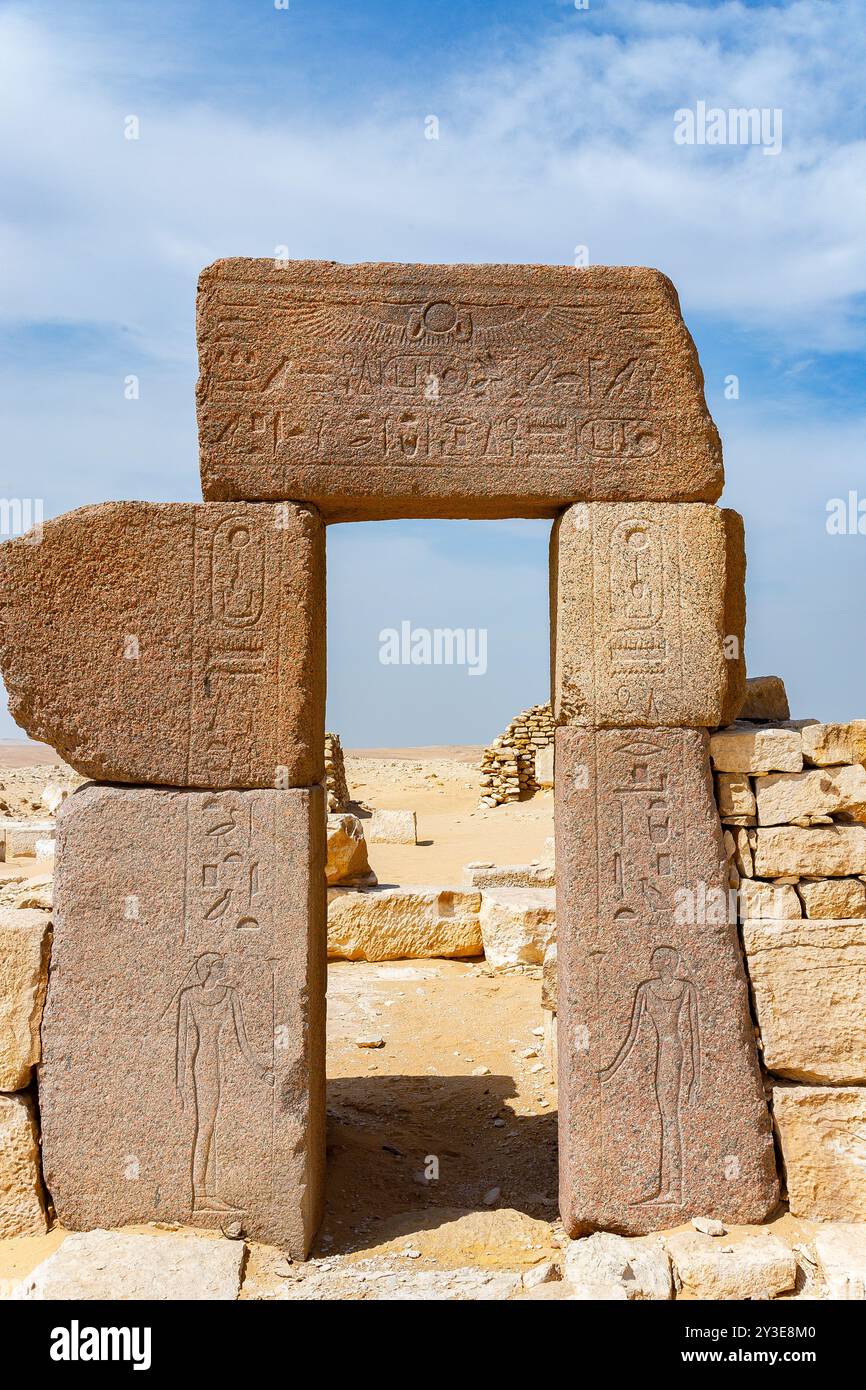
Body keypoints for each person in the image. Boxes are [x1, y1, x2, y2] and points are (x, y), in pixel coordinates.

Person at [598, 945, 700, 1204]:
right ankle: (670, 1188)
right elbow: (632, 1036)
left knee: (670, 1118)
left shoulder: (685, 989)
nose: (651, 960)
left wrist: (696, 1076)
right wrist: (612, 1069)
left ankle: (672, 1190)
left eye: (656, 957)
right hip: (667, 1050)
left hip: (672, 1053)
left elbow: (694, 1034)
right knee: (668, 1117)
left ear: (667, 962)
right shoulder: (647, 989)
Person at [175, 951, 273, 1213]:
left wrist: (260, 1070)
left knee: (211, 1126)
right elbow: (184, 1045)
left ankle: (205, 1191)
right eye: (217, 968)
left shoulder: (229, 995)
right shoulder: (189, 997)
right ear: (206, 970)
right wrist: (181, 1083)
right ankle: (201, 1193)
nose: (222, 972)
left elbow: (242, 1039)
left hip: (215, 1063)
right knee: (205, 1127)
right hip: (201, 1065)